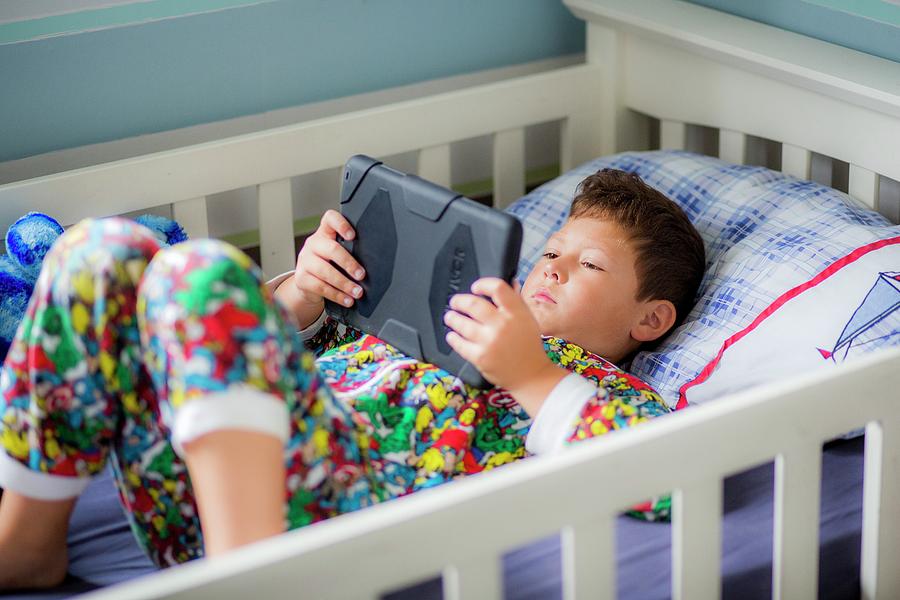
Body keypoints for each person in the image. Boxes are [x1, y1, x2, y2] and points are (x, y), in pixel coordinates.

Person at [0, 169, 704, 589]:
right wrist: (304, 294)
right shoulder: (434, 320)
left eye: (589, 266)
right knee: (100, 248)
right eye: (552, 250)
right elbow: (246, 354)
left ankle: (251, 582)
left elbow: (671, 483)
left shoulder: (599, 388)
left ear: (650, 319)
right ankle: (29, 542)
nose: (551, 267)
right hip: (200, 492)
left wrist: (528, 373)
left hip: (317, 531)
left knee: (204, 270)